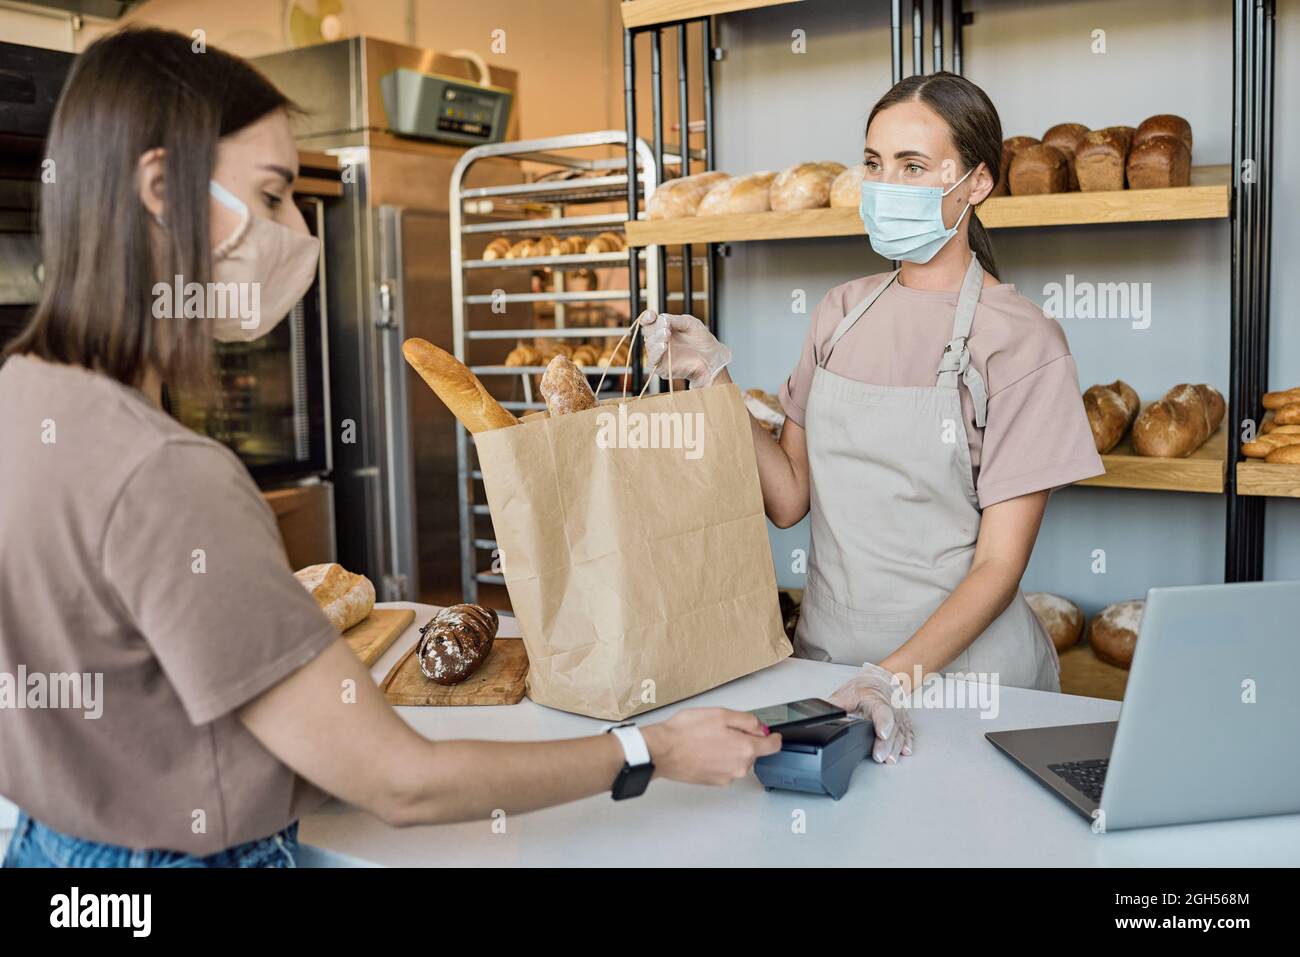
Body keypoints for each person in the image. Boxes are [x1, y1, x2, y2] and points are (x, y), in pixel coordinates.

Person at [0, 27, 780, 869]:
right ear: (160, 187)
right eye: (269, 198)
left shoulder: (21, 396)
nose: (298, 230)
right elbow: (401, 782)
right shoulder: (166, 473)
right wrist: (649, 752)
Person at [640, 73, 1104, 765]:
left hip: (972, 686)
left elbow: (999, 566)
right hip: (829, 669)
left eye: (913, 166)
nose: (885, 186)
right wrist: (717, 381)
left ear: (976, 182)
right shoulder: (839, 312)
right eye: (874, 163)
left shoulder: (1023, 340)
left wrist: (891, 675)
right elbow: (789, 498)